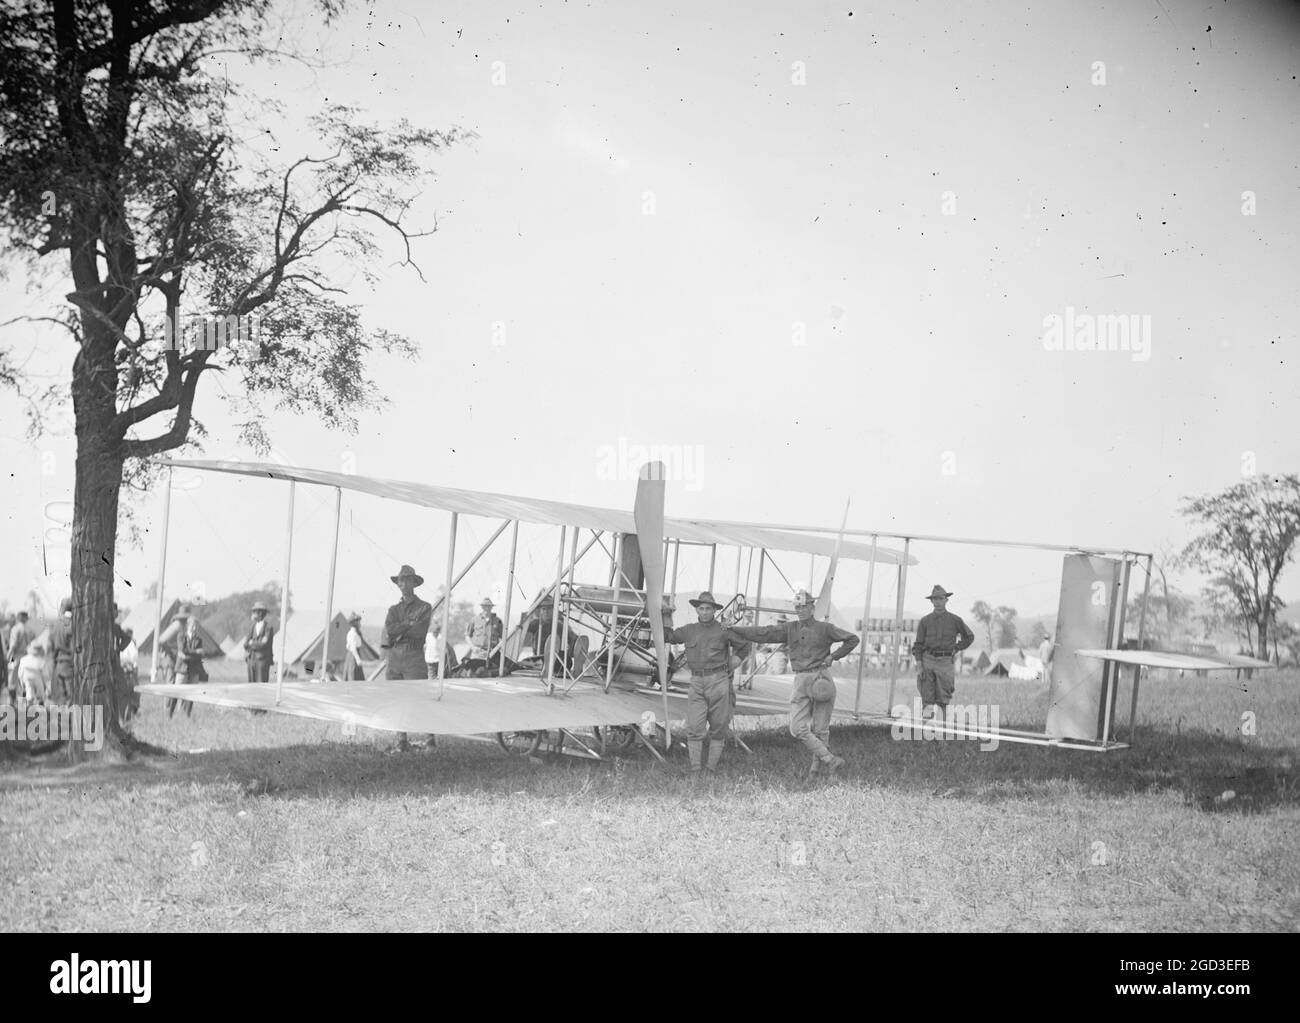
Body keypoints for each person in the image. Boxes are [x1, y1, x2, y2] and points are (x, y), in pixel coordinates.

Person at [730, 589, 859, 778]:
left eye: (804, 606)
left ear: (812, 607)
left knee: (821, 729)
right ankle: (830, 759)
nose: (800, 610)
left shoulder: (826, 628)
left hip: (821, 678)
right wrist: (735, 629)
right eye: (797, 607)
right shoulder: (789, 628)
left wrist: (834, 656)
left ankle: (816, 771)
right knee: (797, 728)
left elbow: (852, 639)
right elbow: (763, 633)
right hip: (800, 679)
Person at [660, 590, 749, 776]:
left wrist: (734, 662)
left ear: (714, 610)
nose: (705, 612)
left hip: (719, 682)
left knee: (718, 727)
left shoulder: (724, 630)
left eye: (709, 608)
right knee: (694, 727)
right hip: (697, 683)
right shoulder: (689, 630)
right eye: (702, 608)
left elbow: (744, 645)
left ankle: (710, 769)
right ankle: (695, 769)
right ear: (696, 610)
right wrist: (664, 614)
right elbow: (667, 636)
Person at [383, 564, 433, 751]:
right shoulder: (393, 609)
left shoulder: (424, 607)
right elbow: (390, 630)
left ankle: (430, 739)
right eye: (400, 580)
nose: (403, 584)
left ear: (414, 582)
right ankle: (401, 740)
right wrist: (408, 623)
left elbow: (419, 631)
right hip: (395, 657)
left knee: (420, 697)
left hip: (414, 655)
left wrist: (401, 627)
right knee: (396, 699)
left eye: (407, 580)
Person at [910, 585, 976, 720]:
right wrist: (919, 665)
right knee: (927, 700)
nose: (938, 602)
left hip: (945, 662)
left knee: (943, 700)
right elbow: (918, 645)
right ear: (931, 601)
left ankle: (941, 735)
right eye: (935, 599)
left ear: (946, 600)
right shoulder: (925, 621)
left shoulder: (955, 620)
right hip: (927, 660)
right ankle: (926, 735)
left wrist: (957, 648)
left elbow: (969, 637)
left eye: (940, 598)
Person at [162, 603, 207, 718]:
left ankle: (187, 714)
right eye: (193, 625)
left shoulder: (199, 639)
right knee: (177, 691)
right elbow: (183, 650)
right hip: (182, 668)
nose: (195, 627)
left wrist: (189, 654)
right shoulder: (181, 635)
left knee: (191, 693)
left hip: (193, 668)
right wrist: (195, 652)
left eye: (196, 626)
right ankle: (170, 714)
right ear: (188, 625)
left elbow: (196, 654)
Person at [47, 598, 76, 705]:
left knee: (61, 697)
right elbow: (74, 648)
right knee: (71, 696)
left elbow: (51, 646)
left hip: (58, 665)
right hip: (69, 664)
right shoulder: (73, 624)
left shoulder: (56, 625)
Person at [465, 597, 503, 676]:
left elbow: (503, 638)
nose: (487, 608)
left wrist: (496, 649)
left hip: (491, 654)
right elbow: (467, 636)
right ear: (482, 607)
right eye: (485, 606)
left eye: (489, 606)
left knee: (484, 673)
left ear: (492, 607)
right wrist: (473, 647)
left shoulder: (497, 621)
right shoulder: (474, 620)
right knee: (471, 673)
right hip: (477, 652)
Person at [243, 600, 275, 684]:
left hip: (262, 660)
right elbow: (245, 644)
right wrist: (254, 643)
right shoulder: (252, 627)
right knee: (251, 684)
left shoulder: (268, 627)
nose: (252, 613)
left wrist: (251, 643)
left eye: (254, 612)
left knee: (261, 685)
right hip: (250, 660)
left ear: (260, 613)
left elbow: (264, 644)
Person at [6, 610, 31, 704]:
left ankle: (11, 703)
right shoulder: (28, 629)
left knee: (11, 678)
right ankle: (22, 704)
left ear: (18, 618)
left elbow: (13, 645)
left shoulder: (15, 629)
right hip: (25, 657)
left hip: (14, 656)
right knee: (23, 680)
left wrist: (8, 656)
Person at [344, 613, 367, 681]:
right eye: (358, 622)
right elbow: (353, 648)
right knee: (354, 676)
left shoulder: (351, 633)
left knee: (352, 675)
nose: (360, 623)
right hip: (353, 657)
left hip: (351, 656)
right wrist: (358, 659)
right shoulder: (353, 634)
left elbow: (347, 646)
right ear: (355, 623)